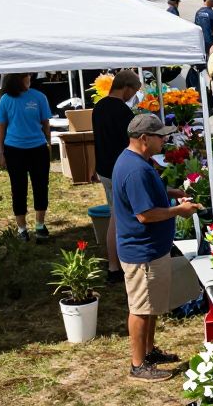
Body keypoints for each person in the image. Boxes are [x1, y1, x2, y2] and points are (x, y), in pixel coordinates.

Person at [113, 113, 202, 381]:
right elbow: (145, 215)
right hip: (142, 252)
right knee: (141, 308)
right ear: (143, 139)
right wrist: (179, 210)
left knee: (150, 306)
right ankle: (138, 365)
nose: (164, 139)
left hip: (150, 250)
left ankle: (149, 351)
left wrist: (172, 193)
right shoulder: (135, 169)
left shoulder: (135, 161)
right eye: (159, 135)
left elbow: (148, 197)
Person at [92, 69, 140, 282]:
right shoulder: (122, 112)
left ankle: (116, 264)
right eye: (133, 92)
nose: (132, 97)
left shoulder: (99, 107)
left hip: (104, 168)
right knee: (118, 218)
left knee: (115, 214)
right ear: (126, 88)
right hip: (118, 170)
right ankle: (114, 267)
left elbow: (98, 139)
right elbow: (131, 143)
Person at [0, 73, 52, 242]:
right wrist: (1, 152)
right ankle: (22, 229)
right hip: (14, 150)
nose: (30, 78)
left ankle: (40, 226)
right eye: (26, 76)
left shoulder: (39, 97)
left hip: (38, 149)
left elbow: (46, 123)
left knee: (41, 186)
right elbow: (1, 127)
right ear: (16, 79)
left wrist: (48, 144)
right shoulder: (6, 99)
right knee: (18, 189)